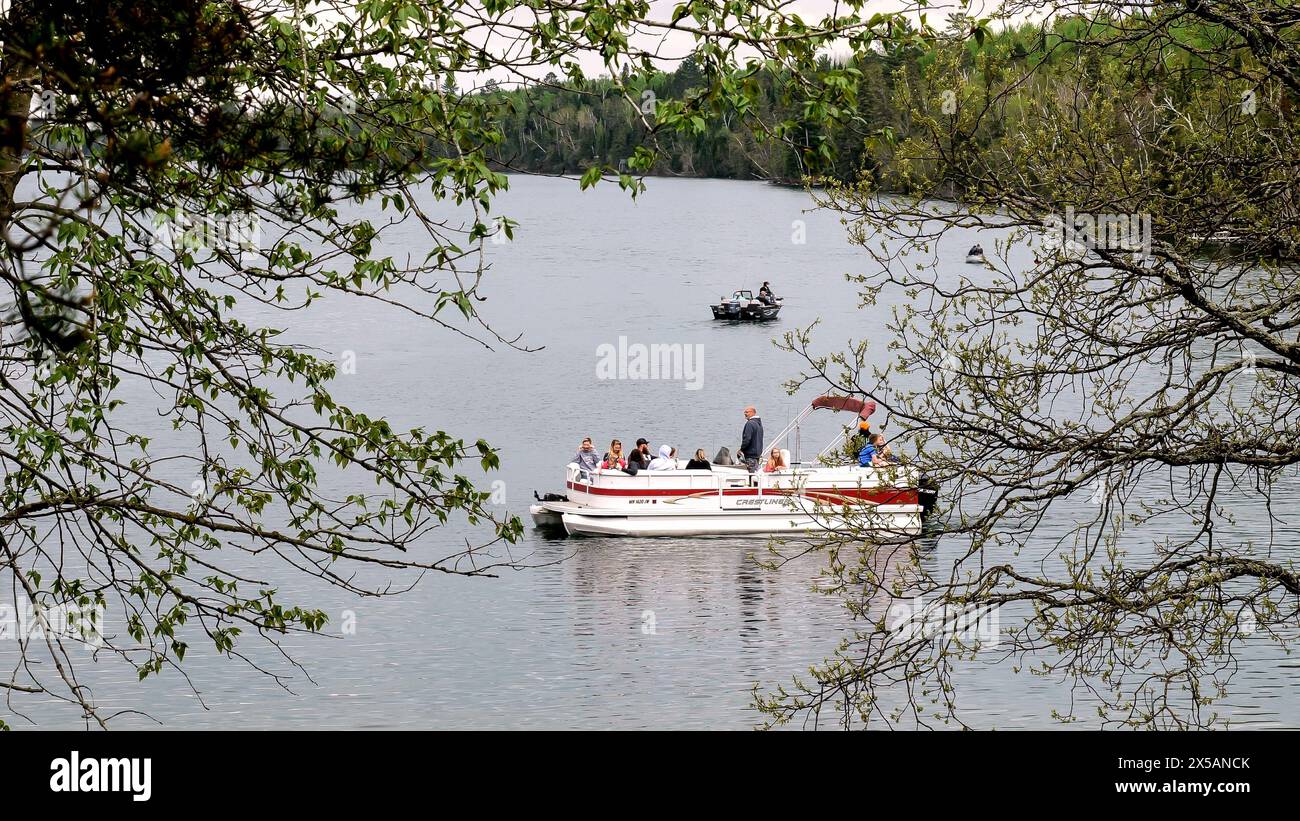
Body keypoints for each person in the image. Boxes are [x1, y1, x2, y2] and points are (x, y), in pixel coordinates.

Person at [738, 406, 763, 472]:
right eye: (744, 412)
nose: (745, 414)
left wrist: (741, 449)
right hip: (757, 454)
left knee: (751, 474)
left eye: (747, 412)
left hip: (751, 455)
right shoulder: (759, 424)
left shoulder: (750, 423)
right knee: (755, 474)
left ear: (753, 413)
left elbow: (747, 439)